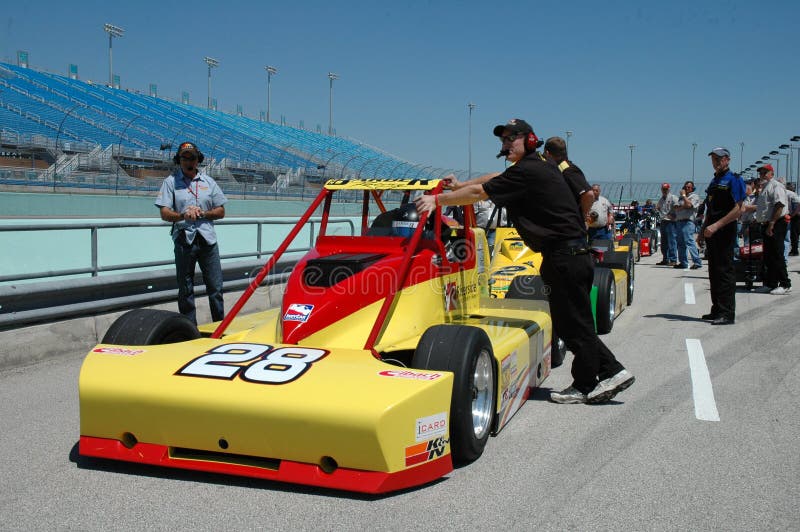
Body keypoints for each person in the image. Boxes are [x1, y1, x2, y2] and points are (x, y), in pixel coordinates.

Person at [415, 118, 633, 404]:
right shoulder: (537, 165)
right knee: (571, 323)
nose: (505, 145)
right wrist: (461, 184)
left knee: (573, 325)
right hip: (567, 255)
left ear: (529, 140)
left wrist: (438, 201)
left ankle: (593, 380)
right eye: (503, 140)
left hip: (564, 255)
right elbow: (493, 178)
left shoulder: (528, 170)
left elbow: (481, 192)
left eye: (511, 139)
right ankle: (609, 372)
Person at [155, 141, 228, 324]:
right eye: (184, 157)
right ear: (178, 160)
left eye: (192, 157)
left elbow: (221, 211)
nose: (189, 161)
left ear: (198, 160)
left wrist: (203, 213)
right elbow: (164, 213)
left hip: (207, 240)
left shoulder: (209, 182)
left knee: (216, 288)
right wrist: (182, 215)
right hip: (183, 239)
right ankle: (190, 331)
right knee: (185, 288)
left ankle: (219, 326)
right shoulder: (170, 182)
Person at [698, 147, 746, 324]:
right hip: (712, 231)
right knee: (714, 271)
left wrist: (717, 226)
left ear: (727, 159)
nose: (716, 162)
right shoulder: (714, 180)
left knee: (725, 271)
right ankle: (717, 309)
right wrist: (703, 230)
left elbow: (738, 209)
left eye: (719, 159)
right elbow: (711, 209)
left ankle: (727, 313)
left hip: (724, 230)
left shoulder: (734, 180)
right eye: (713, 159)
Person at [754, 164, 791, 295]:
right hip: (767, 224)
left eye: (765, 172)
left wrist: (772, 223)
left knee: (777, 254)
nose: (762, 175)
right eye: (761, 173)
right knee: (769, 256)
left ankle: (785, 283)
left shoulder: (776, 186)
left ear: (771, 174)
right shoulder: (764, 187)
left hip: (776, 223)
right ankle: (771, 283)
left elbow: (779, 205)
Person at [543, 136, 594, 227]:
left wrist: (583, 216)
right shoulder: (558, 170)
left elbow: (589, 194)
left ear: (547, 153)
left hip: (570, 227)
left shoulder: (568, 170)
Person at [673, 180, 703, 270]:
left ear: (692, 188)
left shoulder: (695, 196)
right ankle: (683, 262)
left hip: (688, 222)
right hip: (679, 221)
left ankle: (697, 262)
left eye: (689, 187)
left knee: (689, 241)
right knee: (680, 243)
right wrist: (684, 205)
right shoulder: (681, 198)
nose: (687, 188)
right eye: (685, 187)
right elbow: (676, 208)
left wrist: (684, 196)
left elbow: (689, 205)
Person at [655, 183, 678, 265]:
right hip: (663, 221)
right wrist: (657, 209)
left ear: (669, 189)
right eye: (663, 189)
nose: (665, 190)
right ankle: (665, 258)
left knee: (671, 241)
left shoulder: (673, 197)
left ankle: (673, 259)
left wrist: (674, 215)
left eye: (666, 189)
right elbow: (659, 208)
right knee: (663, 241)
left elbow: (678, 207)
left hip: (671, 222)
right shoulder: (661, 199)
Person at [786, 182, 800, 256]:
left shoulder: (792, 195)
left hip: (796, 217)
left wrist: (792, 215)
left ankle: (795, 250)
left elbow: (798, 206)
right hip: (796, 216)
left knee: (794, 234)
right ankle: (794, 250)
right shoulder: (795, 195)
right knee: (795, 234)